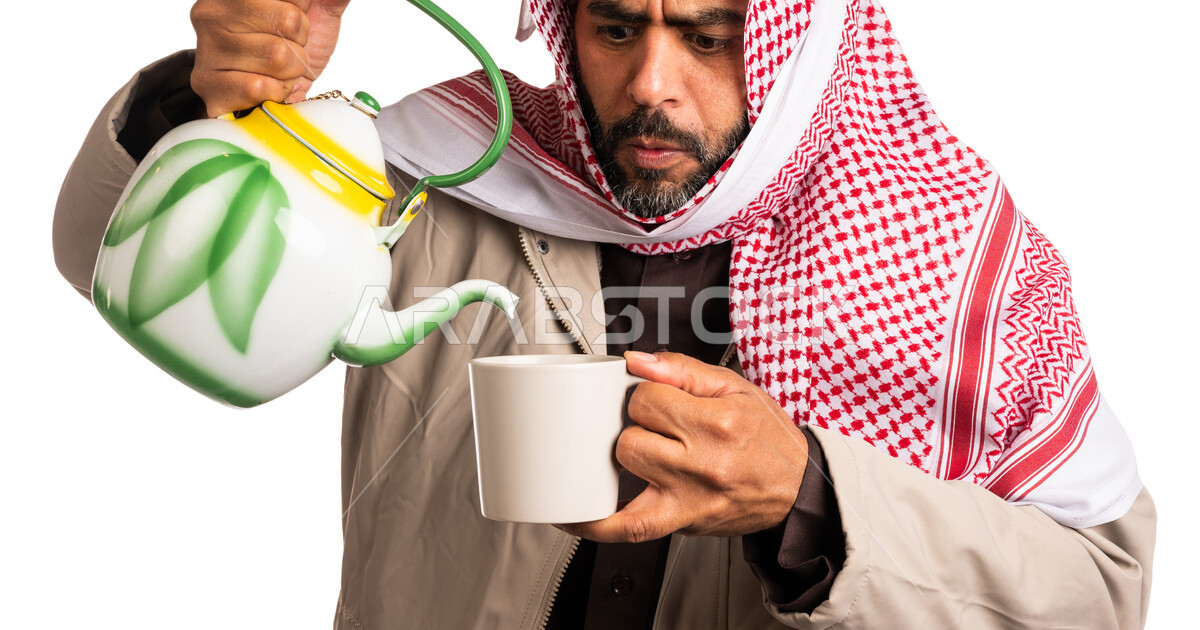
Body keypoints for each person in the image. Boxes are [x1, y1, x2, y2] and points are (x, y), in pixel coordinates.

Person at [53, 0, 1155, 628]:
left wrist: (811, 499)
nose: (649, 85)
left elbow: (1101, 593)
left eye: (710, 37)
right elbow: (106, 252)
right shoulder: (441, 176)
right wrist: (216, 99)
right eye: (618, 28)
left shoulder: (954, 259)